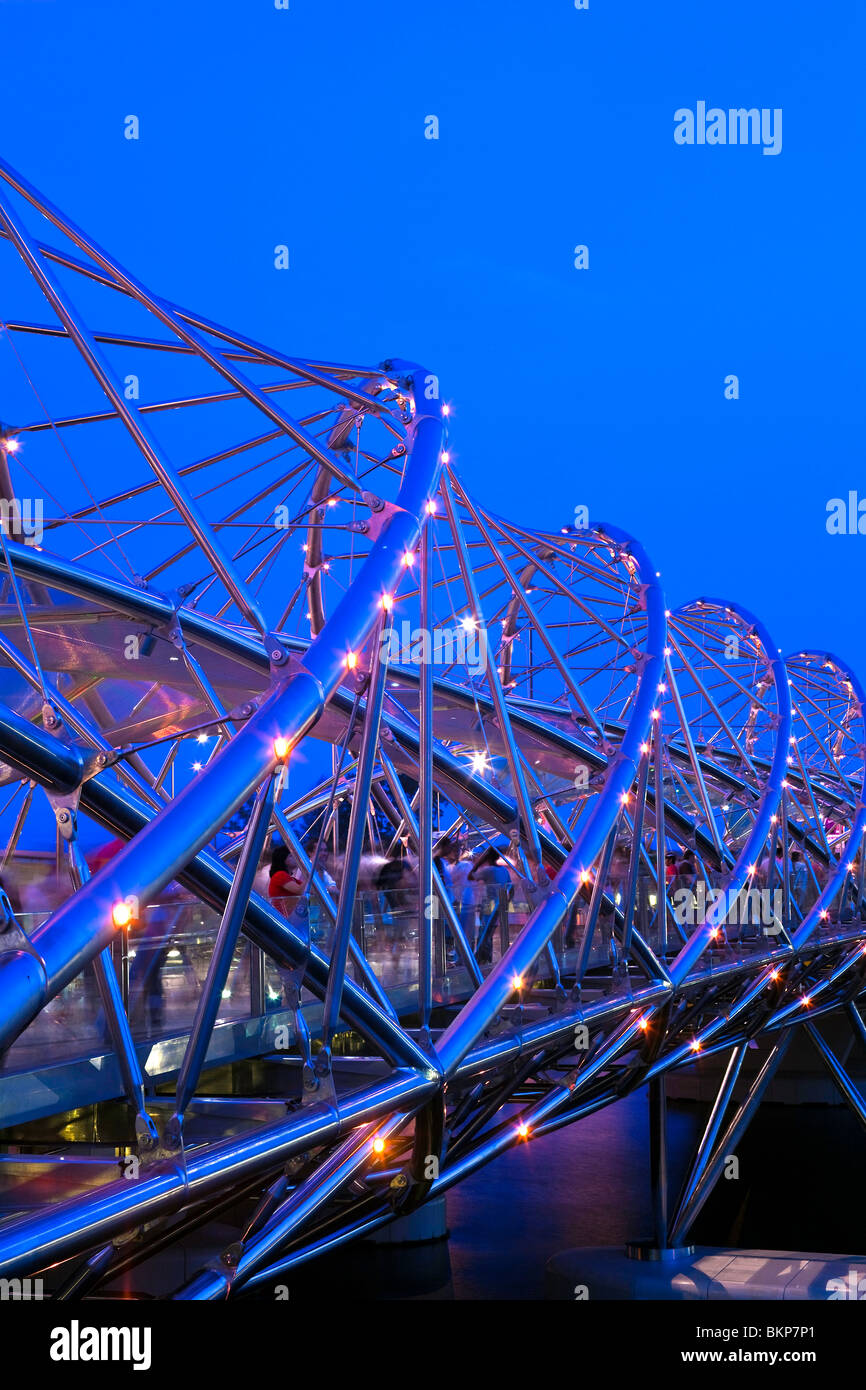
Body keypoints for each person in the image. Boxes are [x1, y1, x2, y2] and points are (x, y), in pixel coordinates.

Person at [268, 844, 304, 916]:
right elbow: (300, 890)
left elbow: (310, 889)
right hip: (281, 918)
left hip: (290, 919)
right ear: (283, 860)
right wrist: (310, 870)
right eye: (291, 856)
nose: (295, 858)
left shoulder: (293, 880)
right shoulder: (280, 875)